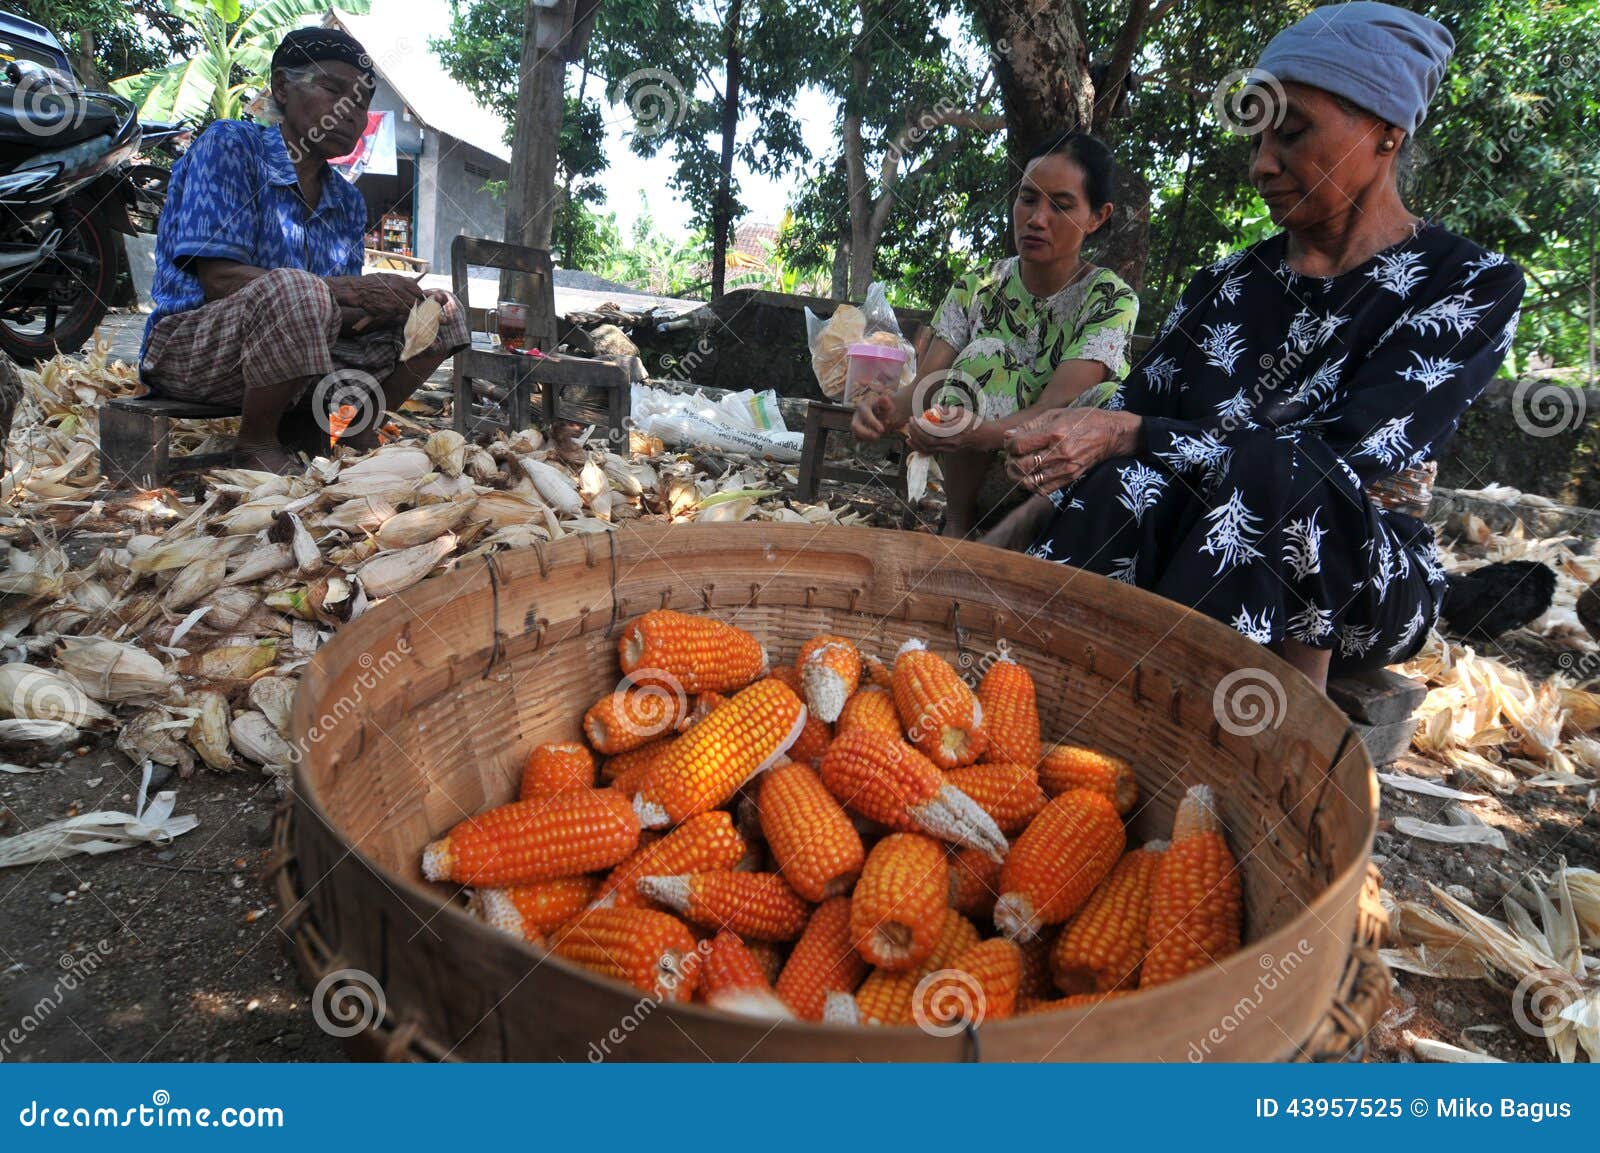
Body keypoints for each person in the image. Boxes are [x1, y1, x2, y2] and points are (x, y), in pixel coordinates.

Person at [984, 1, 1525, 692]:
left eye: (1291, 133)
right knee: (1120, 481)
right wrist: (990, 550)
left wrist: (1133, 433)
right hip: (1188, 546)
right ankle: (1031, 686)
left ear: (1387, 133)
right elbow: (1117, 426)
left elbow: (1343, 457)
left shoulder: (1468, 284)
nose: (1261, 165)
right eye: (1257, 139)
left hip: (1348, 581)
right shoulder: (1230, 282)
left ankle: (1246, 725)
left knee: (1284, 471)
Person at [138, 27, 468, 473]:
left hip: (303, 356)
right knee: (302, 291)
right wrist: (349, 291)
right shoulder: (231, 146)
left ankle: (354, 429)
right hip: (193, 352)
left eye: (362, 103)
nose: (351, 113)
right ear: (282, 87)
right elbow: (218, 280)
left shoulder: (347, 199)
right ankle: (255, 443)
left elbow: (339, 314)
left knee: (443, 314)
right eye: (333, 90)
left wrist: (388, 307)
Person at [851, 133, 1139, 537]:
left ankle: (1052, 540)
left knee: (1107, 403)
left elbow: (1056, 407)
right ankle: (959, 525)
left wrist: (979, 435)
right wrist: (884, 411)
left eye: (1061, 205)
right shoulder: (977, 287)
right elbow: (926, 386)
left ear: (1097, 217)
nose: (1037, 219)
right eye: (1028, 198)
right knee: (983, 357)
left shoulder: (1109, 299)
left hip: (1053, 473)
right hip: (979, 472)